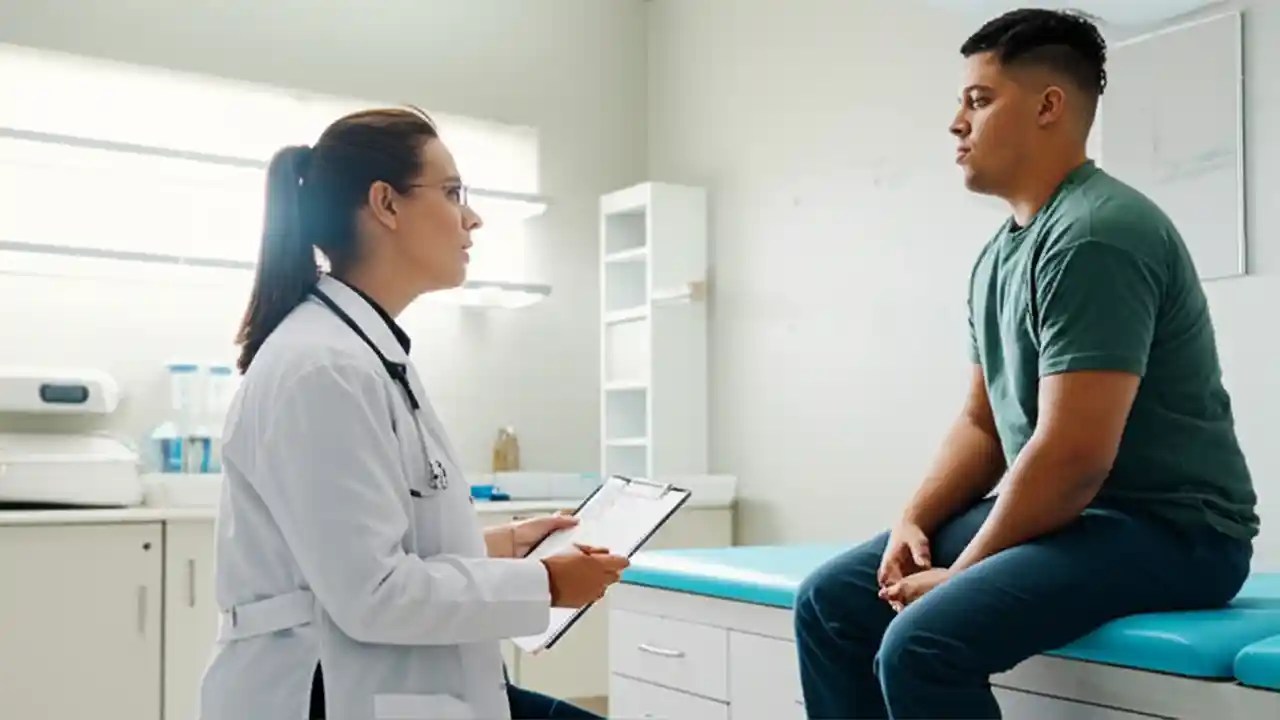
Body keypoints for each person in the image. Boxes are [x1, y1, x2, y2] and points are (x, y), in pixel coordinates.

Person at [793, 9, 1258, 719]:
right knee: (829, 602)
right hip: (1080, 517)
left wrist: (963, 574)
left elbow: (1073, 457)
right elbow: (983, 423)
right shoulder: (1002, 253)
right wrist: (912, 520)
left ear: (1049, 106)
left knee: (922, 644)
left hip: (1173, 533)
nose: (956, 122)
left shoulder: (1098, 234)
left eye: (978, 100)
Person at [198, 107, 628, 720]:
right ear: (386, 204)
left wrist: (502, 546)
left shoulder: (362, 352)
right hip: (330, 693)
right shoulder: (323, 369)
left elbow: (367, 550)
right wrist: (549, 586)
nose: (472, 219)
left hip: (398, 686)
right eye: (453, 193)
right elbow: (371, 592)